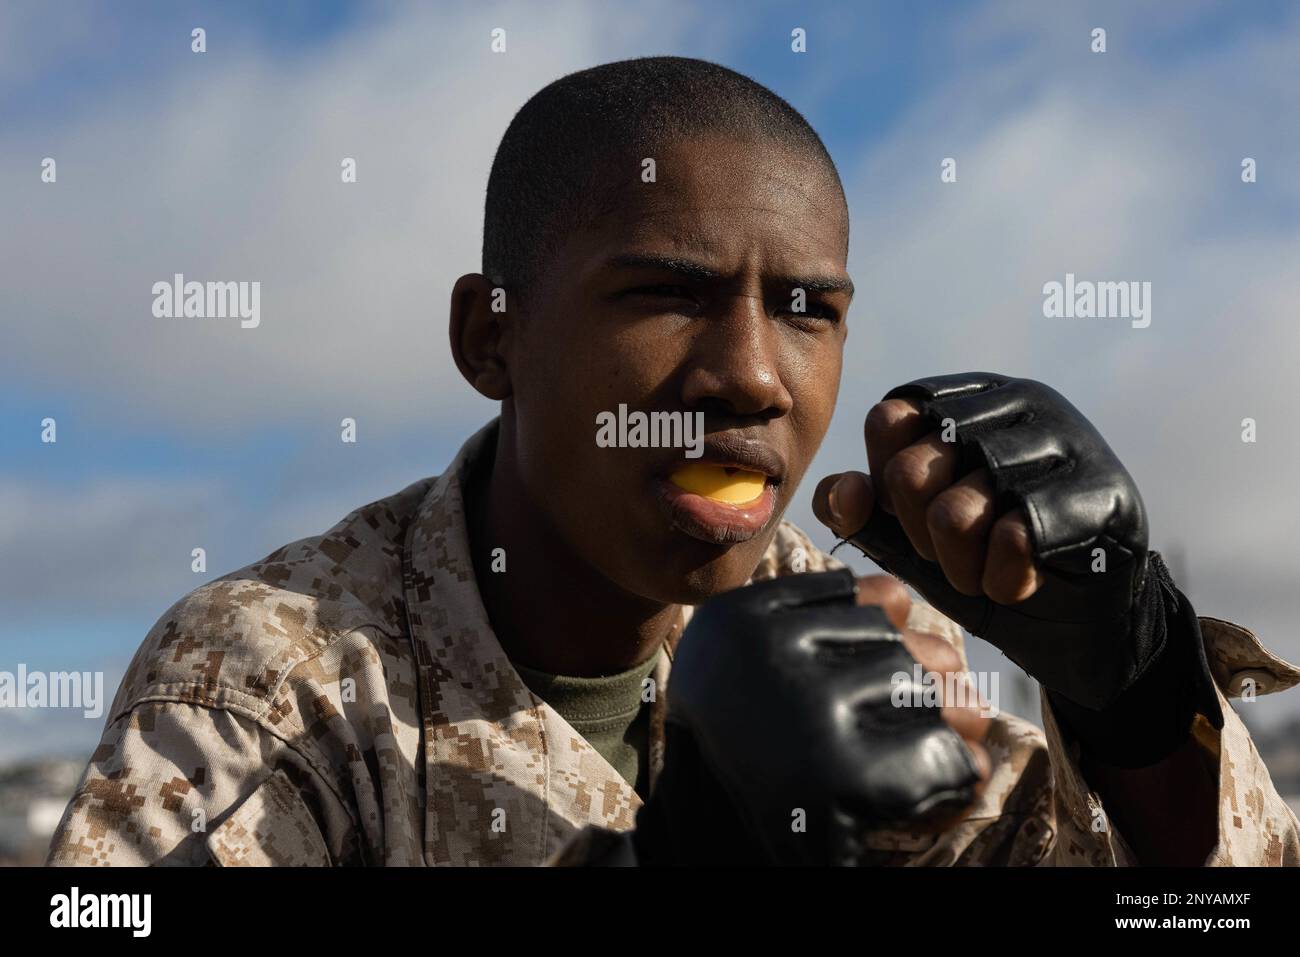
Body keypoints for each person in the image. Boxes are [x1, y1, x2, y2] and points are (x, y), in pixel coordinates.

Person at [47, 56, 1298, 868]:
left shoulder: (864, 647)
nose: (751, 374)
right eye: (667, 294)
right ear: (495, 338)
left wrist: (1135, 704)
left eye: (807, 308)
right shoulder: (267, 682)